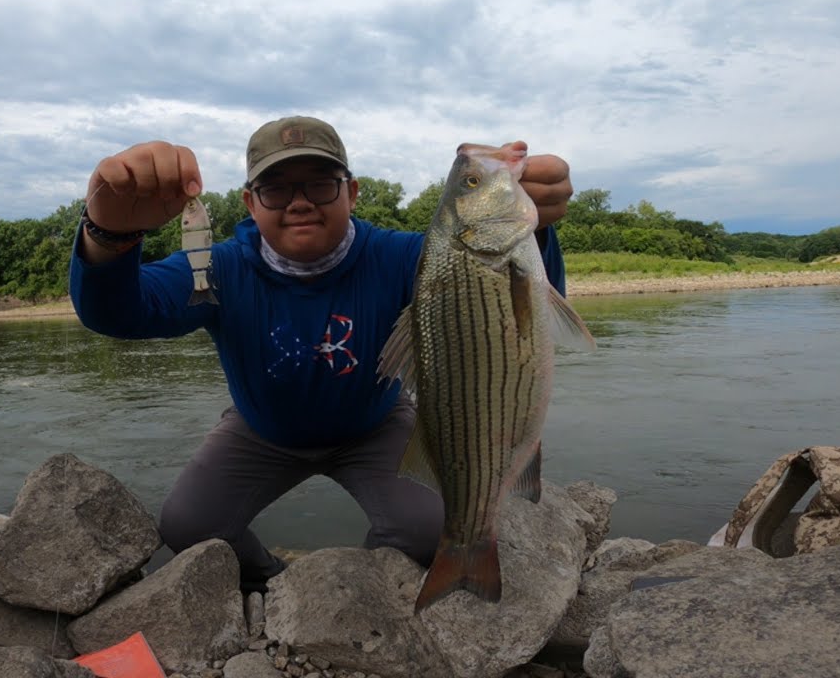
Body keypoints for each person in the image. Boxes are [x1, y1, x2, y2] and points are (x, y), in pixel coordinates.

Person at [70, 116, 573, 591]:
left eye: (320, 183)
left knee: (428, 533)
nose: (300, 202)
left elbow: (506, 300)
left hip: (375, 424)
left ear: (352, 193)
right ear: (250, 202)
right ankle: (269, 584)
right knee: (187, 527)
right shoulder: (215, 268)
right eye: (276, 187)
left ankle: (364, 586)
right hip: (261, 430)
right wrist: (109, 236)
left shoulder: (403, 257)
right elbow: (119, 313)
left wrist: (537, 230)